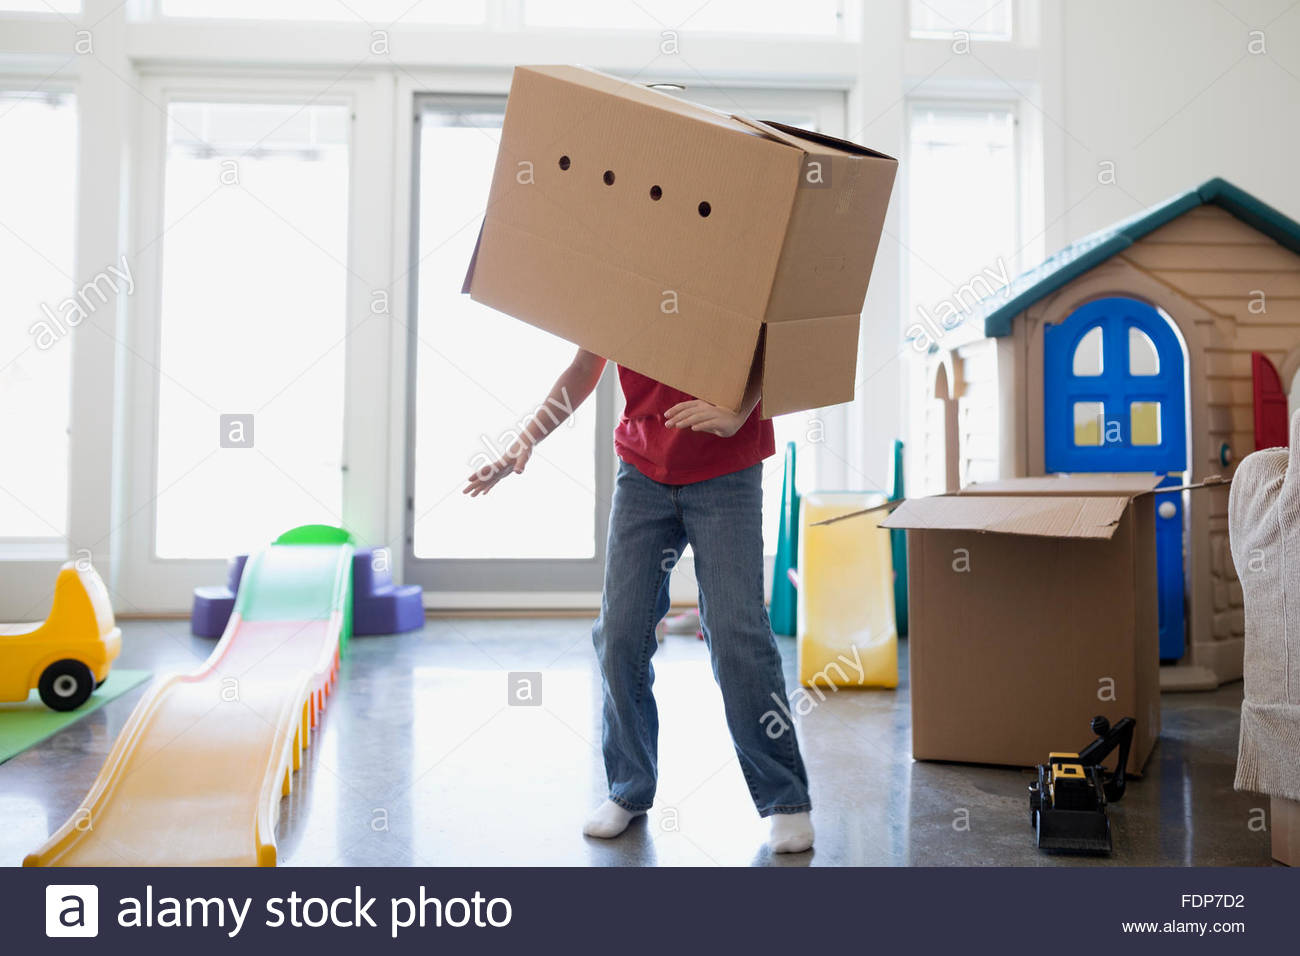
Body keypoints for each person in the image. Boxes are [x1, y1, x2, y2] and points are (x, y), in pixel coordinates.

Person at [464, 347, 814, 853]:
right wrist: (526, 440)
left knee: (738, 633)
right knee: (619, 633)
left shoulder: (731, 266)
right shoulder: (622, 275)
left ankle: (786, 799)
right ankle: (628, 788)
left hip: (726, 467)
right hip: (644, 469)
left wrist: (741, 409)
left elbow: (770, 343)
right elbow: (585, 367)